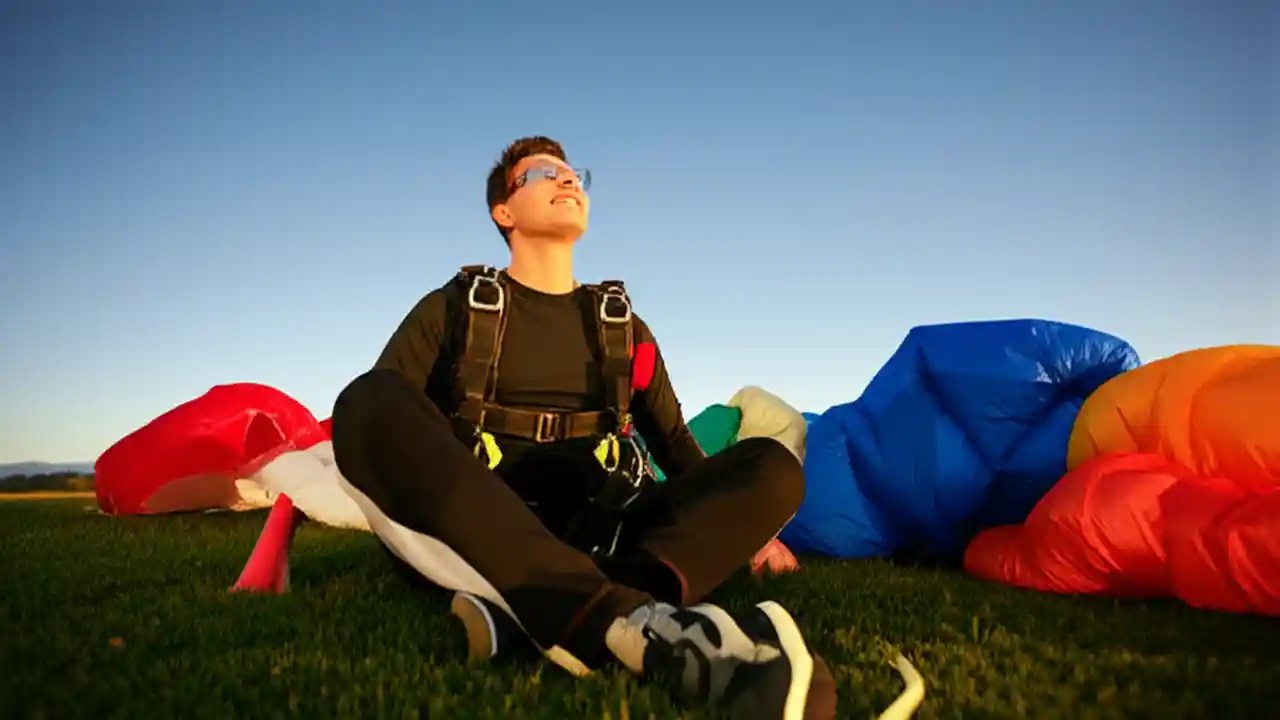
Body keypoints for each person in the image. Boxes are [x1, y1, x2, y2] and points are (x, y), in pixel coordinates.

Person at [329, 136, 837, 718]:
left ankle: (536, 612)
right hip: (475, 534)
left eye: (573, 174)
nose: (567, 180)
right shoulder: (456, 307)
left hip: (601, 529)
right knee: (367, 398)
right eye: (541, 174)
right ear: (503, 212)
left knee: (771, 466)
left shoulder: (621, 325)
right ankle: (619, 616)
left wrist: (744, 528)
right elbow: (385, 425)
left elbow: (674, 443)